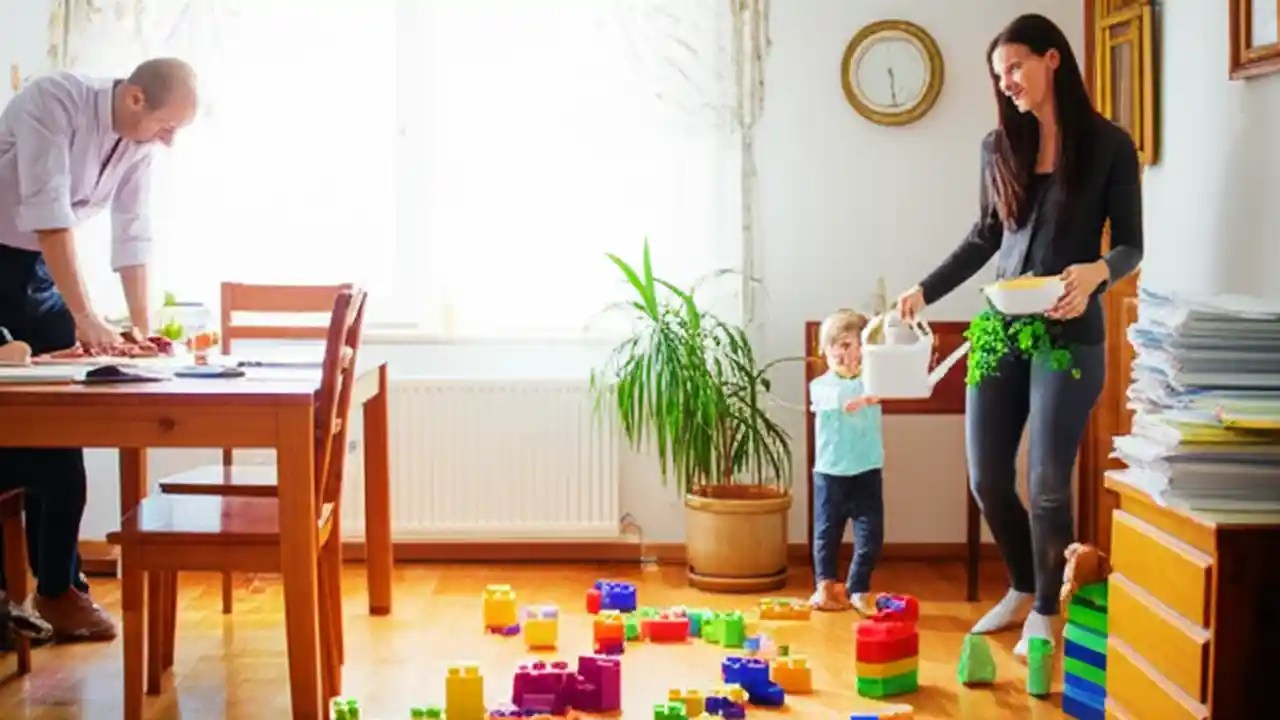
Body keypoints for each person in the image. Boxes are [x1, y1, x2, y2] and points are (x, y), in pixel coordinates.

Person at [896, 14, 1142, 656]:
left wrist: (1096, 273)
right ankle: (1024, 583)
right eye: (998, 75)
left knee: (1050, 480)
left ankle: (1048, 613)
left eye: (1015, 67)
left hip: (1070, 333)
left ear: (1052, 59)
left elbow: (1132, 245)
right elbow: (986, 236)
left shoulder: (1110, 145)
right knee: (986, 478)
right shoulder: (997, 147)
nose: (1006, 83)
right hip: (1000, 330)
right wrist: (926, 289)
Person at [0, 58, 197, 640]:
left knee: (65, 430)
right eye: (167, 127)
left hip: (36, 269)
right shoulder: (53, 100)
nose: (170, 142)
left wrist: (137, 330)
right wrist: (85, 316)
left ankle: (57, 587)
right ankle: (37, 593)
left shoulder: (138, 142)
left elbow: (133, 232)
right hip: (9, 254)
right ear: (135, 98)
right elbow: (48, 214)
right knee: (35, 439)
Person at [808, 309, 884, 615]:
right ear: (825, 350)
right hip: (830, 473)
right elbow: (834, 402)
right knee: (826, 533)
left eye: (854, 346)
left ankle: (858, 588)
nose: (847, 353)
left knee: (871, 535)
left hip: (867, 471)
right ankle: (825, 586)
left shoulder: (873, 382)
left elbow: (884, 387)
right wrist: (857, 401)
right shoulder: (822, 385)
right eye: (840, 345)